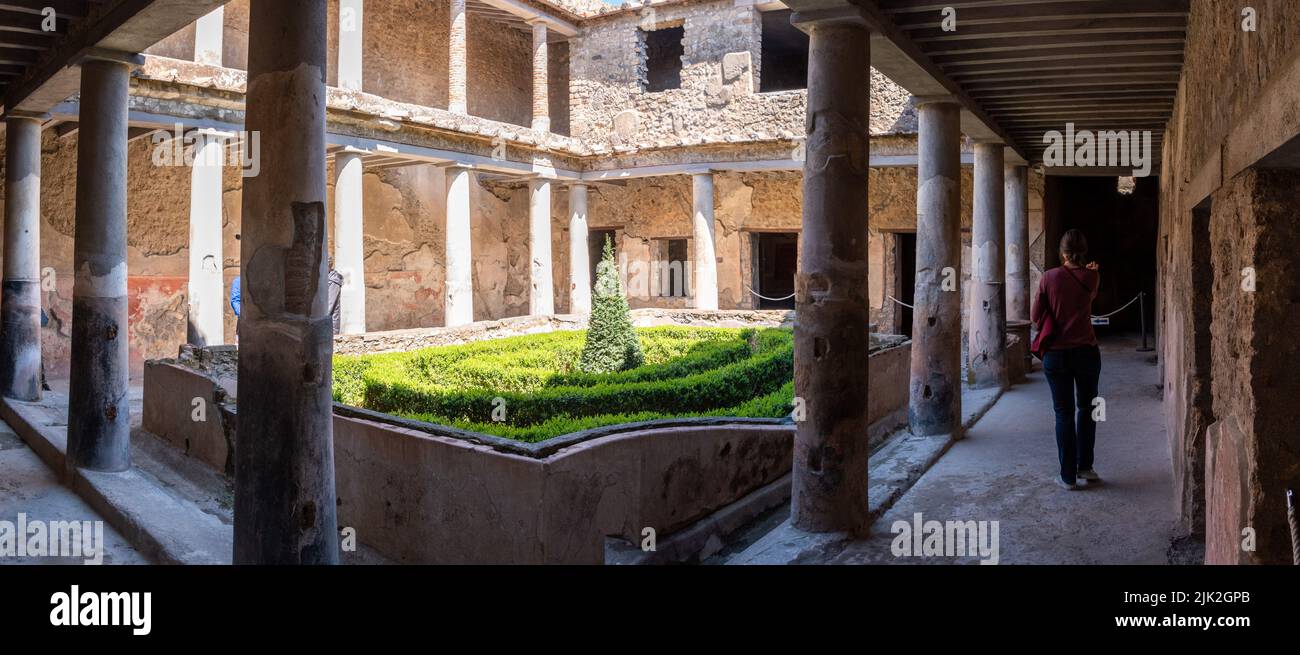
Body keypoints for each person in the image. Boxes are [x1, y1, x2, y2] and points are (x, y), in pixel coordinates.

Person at [1031, 229, 1101, 491]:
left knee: (1063, 414)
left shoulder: (1049, 277)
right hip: (1087, 352)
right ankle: (1086, 467)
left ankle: (1067, 476)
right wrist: (1093, 272)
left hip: (1057, 355)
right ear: (1083, 251)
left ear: (1062, 253)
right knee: (1088, 409)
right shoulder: (1092, 276)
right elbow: (1088, 300)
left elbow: (1036, 314)